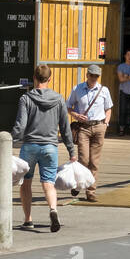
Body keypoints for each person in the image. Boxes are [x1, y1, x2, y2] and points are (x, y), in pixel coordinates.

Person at [12, 64, 77, 232]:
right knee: (49, 183)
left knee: (26, 183)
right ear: (50, 79)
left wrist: (8, 142)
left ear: (34, 78)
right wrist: (71, 150)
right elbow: (65, 128)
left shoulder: (25, 99)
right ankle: (53, 210)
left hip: (30, 147)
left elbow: (20, 126)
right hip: (50, 147)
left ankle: (28, 220)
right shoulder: (59, 99)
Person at [67, 64, 112, 202]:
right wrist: (76, 115)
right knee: (83, 160)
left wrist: (106, 124)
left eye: (96, 76)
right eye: (91, 75)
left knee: (94, 162)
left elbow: (108, 109)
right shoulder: (77, 89)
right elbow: (68, 106)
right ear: (87, 75)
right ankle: (78, 183)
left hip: (99, 127)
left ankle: (91, 191)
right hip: (83, 128)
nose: (94, 78)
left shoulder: (104, 90)